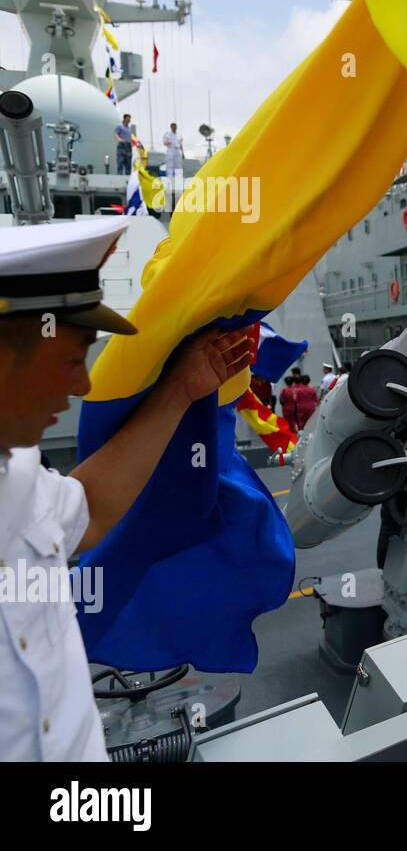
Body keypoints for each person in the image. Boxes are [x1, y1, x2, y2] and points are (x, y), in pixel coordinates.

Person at [0, 219, 251, 761]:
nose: (81, 386)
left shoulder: (16, 475)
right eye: (70, 361)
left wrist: (182, 390)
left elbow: (86, 512)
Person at [162, 122, 184, 202]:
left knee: (178, 167)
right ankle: (169, 180)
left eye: (175, 126)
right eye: (173, 126)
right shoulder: (167, 134)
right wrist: (168, 142)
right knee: (170, 167)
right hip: (170, 150)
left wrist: (183, 153)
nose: (174, 127)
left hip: (177, 150)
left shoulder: (179, 136)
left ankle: (178, 180)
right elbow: (164, 142)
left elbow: (181, 145)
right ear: (171, 127)